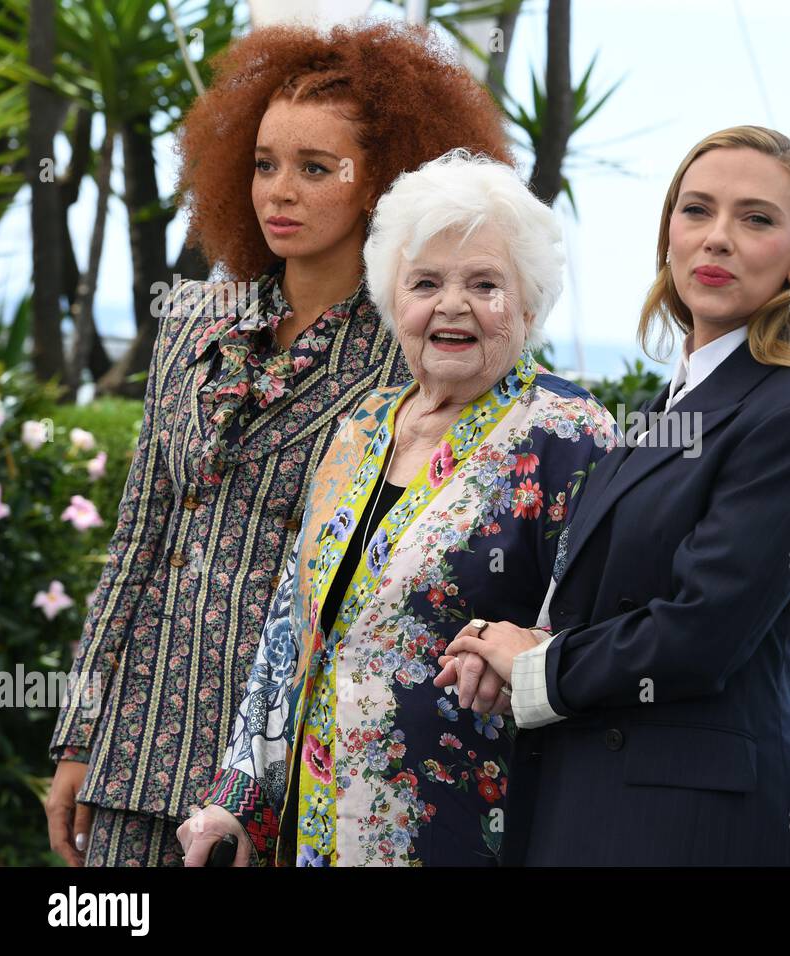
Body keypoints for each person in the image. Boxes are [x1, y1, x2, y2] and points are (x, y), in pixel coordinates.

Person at [45, 22, 511, 867]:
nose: (278, 191)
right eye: (264, 163)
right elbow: (138, 539)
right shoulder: (192, 319)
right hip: (136, 749)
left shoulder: (406, 355)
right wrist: (80, 735)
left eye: (315, 167)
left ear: (384, 186)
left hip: (286, 768)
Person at [437, 125, 790, 865]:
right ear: (668, 234)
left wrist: (535, 668)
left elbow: (701, 632)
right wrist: (508, 647)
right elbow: (605, 601)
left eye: (757, 219)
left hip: (688, 829)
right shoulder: (675, 402)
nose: (718, 239)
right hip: (594, 804)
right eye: (696, 211)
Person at [176, 150, 617, 866]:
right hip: (316, 835)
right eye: (426, 283)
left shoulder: (568, 431)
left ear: (529, 305)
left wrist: (530, 648)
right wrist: (237, 802)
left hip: (469, 832)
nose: (451, 305)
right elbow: (290, 635)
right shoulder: (363, 427)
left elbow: (596, 631)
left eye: (484, 284)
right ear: (392, 302)